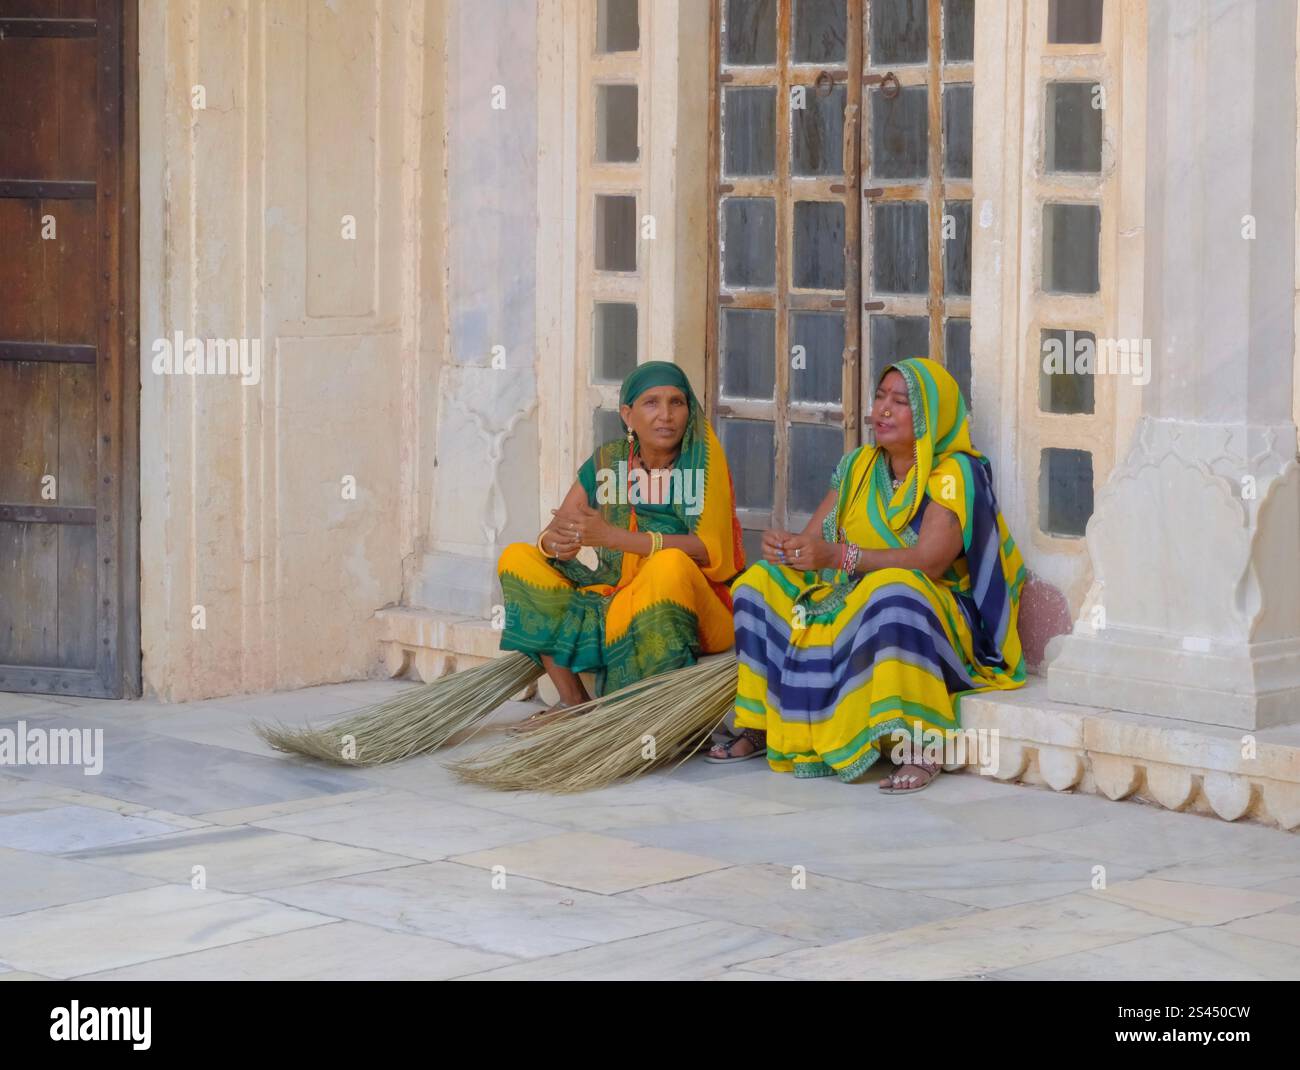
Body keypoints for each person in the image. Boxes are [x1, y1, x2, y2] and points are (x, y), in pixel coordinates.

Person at [708, 357, 1026, 792]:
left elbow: (929, 562)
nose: (884, 410)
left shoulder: (954, 473)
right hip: (854, 599)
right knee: (758, 583)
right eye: (880, 398)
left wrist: (840, 556)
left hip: (931, 617)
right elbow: (811, 543)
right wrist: (786, 549)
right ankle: (761, 725)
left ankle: (921, 744)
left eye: (901, 402)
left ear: (932, 415)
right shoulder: (859, 466)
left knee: (895, 588)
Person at [497, 361, 744, 729]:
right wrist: (556, 545)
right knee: (517, 557)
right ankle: (573, 702)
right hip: (615, 596)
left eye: (677, 403)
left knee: (670, 564)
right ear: (628, 415)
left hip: (697, 609)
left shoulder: (703, 461)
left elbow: (712, 551)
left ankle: (650, 720)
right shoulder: (608, 461)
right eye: (651, 403)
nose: (666, 415)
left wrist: (617, 539)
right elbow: (556, 530)